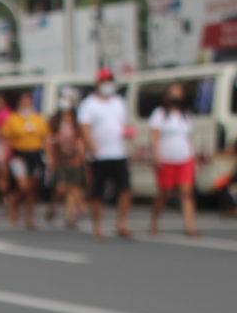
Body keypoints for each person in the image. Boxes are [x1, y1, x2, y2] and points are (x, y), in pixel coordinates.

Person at [77, 68, 134, 239]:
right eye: (104, 81)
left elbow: (123, 124)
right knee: (98, 193)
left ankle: (121, 223)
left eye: (110, 81)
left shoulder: (119, 102)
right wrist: (92, 147)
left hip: (119, 153)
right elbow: (84, 128)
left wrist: (128, 133)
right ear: (97, 84)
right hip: (99, 156)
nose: (107, 84)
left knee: (125, 190)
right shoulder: (89, 104)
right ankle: (97, 226)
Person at [147, 84, 200, 237]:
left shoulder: (186, 115)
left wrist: (193, 157)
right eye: (173, 93)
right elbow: (154, 136)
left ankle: (189, 226)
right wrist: (156, 155)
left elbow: (188, 138)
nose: (176, 96)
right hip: (166, 159)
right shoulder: (160, 114)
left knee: (186, 192)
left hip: (184, 159)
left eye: (178, 93)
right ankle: (154, 220)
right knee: (165, 194)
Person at [0, 92, 49, 231]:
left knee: (32, 188)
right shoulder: (13, 118)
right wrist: (4, 158)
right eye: (24, 101)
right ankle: (13, 207)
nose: (26, 103)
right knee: (23, 186)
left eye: (28, 101)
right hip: (19, 155)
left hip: (35, 155)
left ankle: (29, 217)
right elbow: (6, 139)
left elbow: (45, 137)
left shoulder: (38, 118)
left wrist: (48, 155)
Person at [48, 107, 87, 229]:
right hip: (61, 161)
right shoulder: (57, 128)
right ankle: (54, 207)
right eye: (65, 116)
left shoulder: (76, 129)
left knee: (73, 188)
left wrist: (81, 158)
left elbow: (81, 145)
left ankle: (70, 217)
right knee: (61, 187)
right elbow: (51, 144)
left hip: (74, 161)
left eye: (69, 116)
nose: (67, 118)